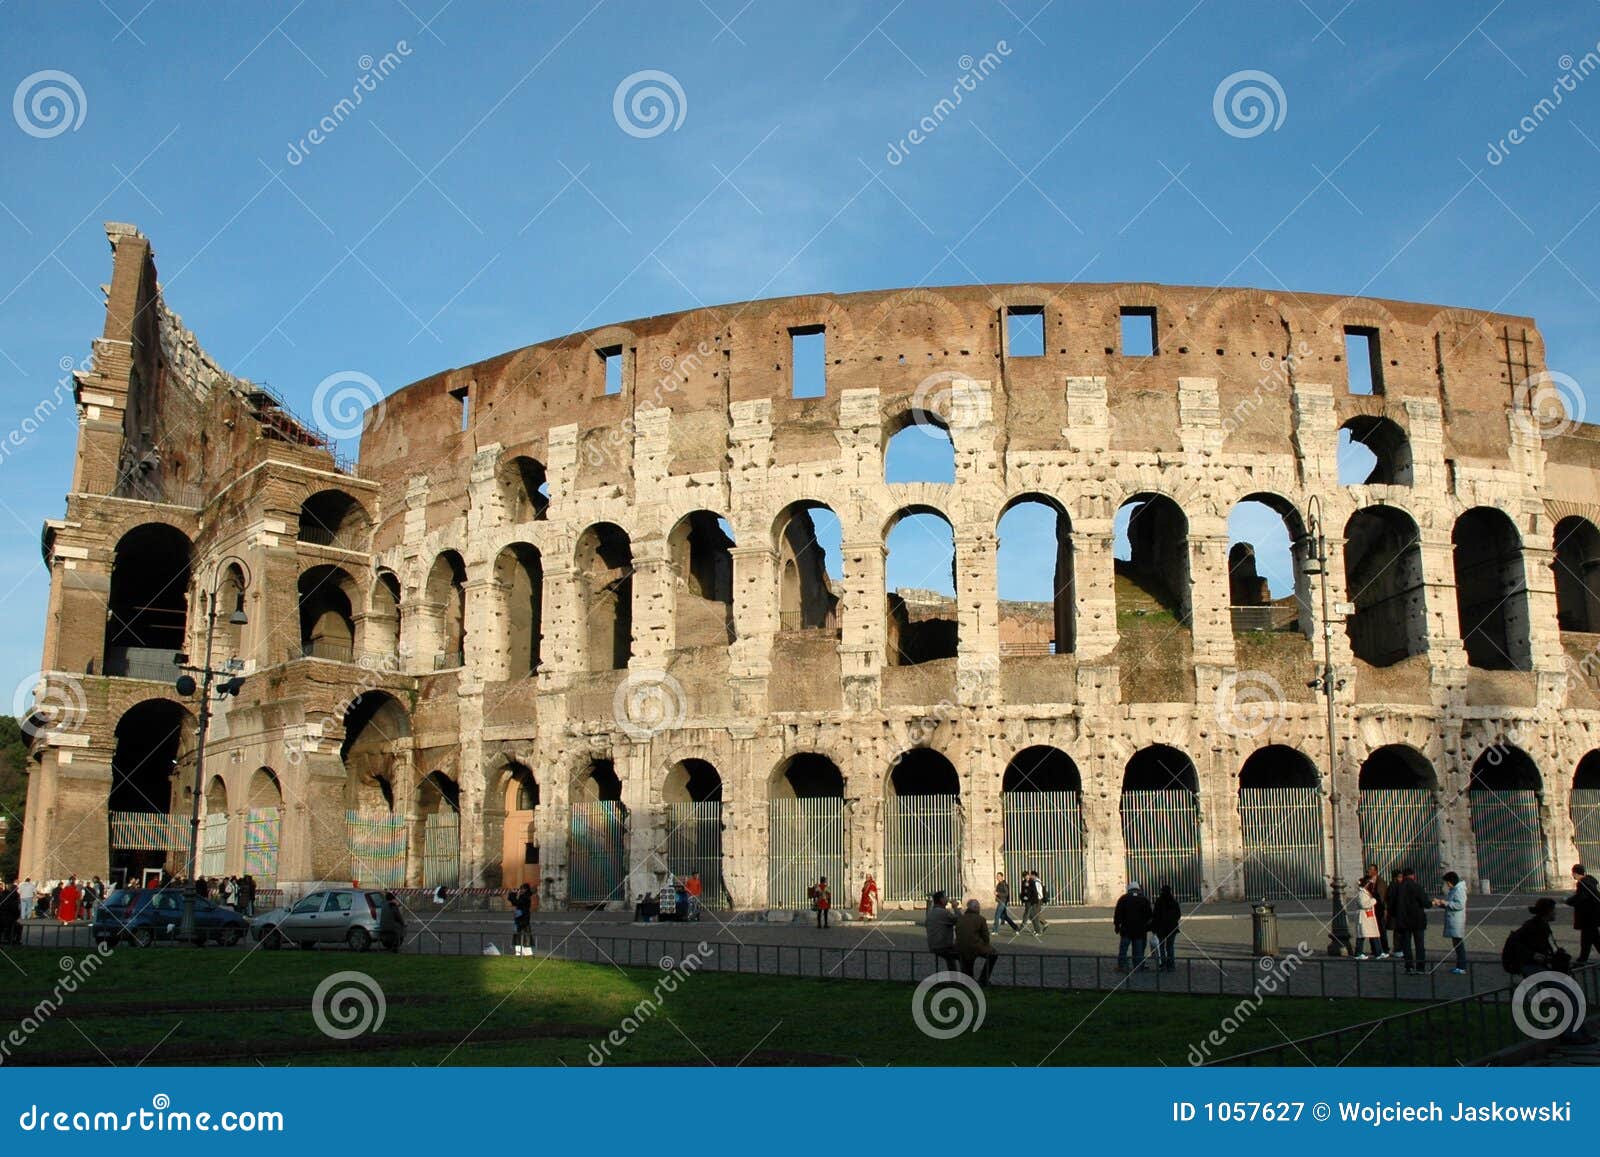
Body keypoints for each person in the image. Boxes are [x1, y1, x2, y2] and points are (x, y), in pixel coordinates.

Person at [1502, 897, 1564, 979]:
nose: (1555, 913)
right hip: (1520, 963)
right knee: (1558, 983)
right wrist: (1534, 955)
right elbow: (1535, 950)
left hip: (1525, 960)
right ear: (1547, 912)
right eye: (1553, 910)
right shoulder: (1535, 927)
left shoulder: (1540, 924)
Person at [1390, 866, 1428, 973]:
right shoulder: (1417, 887)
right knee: (1419, 945)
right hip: (1418, 920)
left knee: (1406, 945)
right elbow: (1426, 903)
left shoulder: (1398, 887)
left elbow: (1391, 904)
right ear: (1413, 876)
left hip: (1403, 921)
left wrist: (1396, 916)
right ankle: (1420, 967)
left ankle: (1409, 966)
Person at [955, 898, 999, 986]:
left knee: (967, 960)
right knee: (993, 955)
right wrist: (987, 946)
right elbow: (986, 937)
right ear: (976, 908)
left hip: (960, 946)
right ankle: (983, 979)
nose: (979, 908)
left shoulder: (960, 918)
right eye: (978, 907)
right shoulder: (980, 919)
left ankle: (968, 979)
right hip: (975, 947)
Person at [1432, 870, 1468, 974]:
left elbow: (1459, 905)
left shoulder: (1459, 890)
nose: (1447, 885)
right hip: (1453, 920)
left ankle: (1462, 967)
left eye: (1447, 882)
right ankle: (1460, 966)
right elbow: (1450, 903)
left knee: (1459, 944)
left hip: (1457, 921)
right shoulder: (1454, 889)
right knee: (1457, 944)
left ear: (1451, 881)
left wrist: (1446, 903)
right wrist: (1440, 903)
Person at [1113, 882, 1153, 973]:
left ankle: (1121, 966)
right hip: (1139, 931)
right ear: (1138, 889)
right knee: (1138, 951)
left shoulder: (1123, 899)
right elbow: (1149, 915)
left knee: (1123, 949)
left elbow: (1117, 914)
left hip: (1126, 929)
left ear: (1129, 889)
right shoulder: (1144, 900)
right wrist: (1148, 927)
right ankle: (1137, 967)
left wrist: (1117, 925)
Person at [1565, 863, 1600, 964]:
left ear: (1575, 873)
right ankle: (1582, 958)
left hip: (1588, 916)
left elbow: (1581, 898)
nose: (1572, 875)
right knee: (1593, 938)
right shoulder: (1590, 881)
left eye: (1573, 873)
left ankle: (1582, 959)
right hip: (1593, 915)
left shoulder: (1582, 883)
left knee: (1587, 939)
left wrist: (1568, 901)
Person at [925, 891, 959, 970]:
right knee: (965, 955)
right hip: (942, 946)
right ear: (941, 900)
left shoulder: (931, 912)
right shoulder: (943, 913)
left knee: (951, 959)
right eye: (945, 897)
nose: (947, 898)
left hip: (933, 945)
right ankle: (967, 978)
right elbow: (960, 920)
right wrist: (955, 907)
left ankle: (954, 978)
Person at [1363, 865, 1392, 959]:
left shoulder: (1380, 881)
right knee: (1371, 929)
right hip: (1370, 909)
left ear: (1376, 871)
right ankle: (1374, 949)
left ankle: (1385, 948)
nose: (1369, 871)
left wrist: (1385, 909)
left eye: (1371, 870)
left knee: (1381, 930)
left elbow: (1383, 896)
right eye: (1368, 870)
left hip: (1380, 909)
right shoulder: (1366, 881)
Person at [1151, 883, 1181, 972]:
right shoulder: (1174, 901)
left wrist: (1154, 928)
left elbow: (1155, 915)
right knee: (1170, 947)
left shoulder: (1159, 901)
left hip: (1161, 928)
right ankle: (1171, 966)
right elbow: (1178, 915)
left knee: (1161, 947)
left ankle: (1163, 965)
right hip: (1172, 928)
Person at [1354, 878, 1383, 959]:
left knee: (1374, 934)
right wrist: (1373, 900)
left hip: (1368, 917)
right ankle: (1358, 953)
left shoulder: (1367, 892)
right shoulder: (1361, 893)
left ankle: (1378, 952)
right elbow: (1364, 905)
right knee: (1362, 935)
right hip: (1363, 917)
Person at [1019, 869, 1048, 937]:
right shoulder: (1031, 881)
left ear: (1033, 875)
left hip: (1037, 900)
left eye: (1030, 875)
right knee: (1033, 915)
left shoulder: (1036, 882)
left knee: (1034, 915)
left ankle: (1039, 929)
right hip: (1033, 900)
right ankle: (1039, 928)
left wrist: (1033, 899)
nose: (1029, 876)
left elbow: (1036, 892)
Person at [509, 882, 534, 956]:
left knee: (525, 935)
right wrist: (513, 895)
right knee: (519, 935)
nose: (520, 890)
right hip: (520, 918)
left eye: (522, 889)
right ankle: (519, 951)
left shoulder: (525, 897)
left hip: (523, 918)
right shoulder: (523, 896)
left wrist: (512, 894)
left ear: (525, 889)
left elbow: (516, 903)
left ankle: (527, 952)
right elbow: (515, 903)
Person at [0, 880, 19, 945]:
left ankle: (7, 938)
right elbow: (15, 911)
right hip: (7, 918)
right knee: (17, 926)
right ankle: (13, 939)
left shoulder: (2, 895)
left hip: (4, 917)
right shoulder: (12, 898)